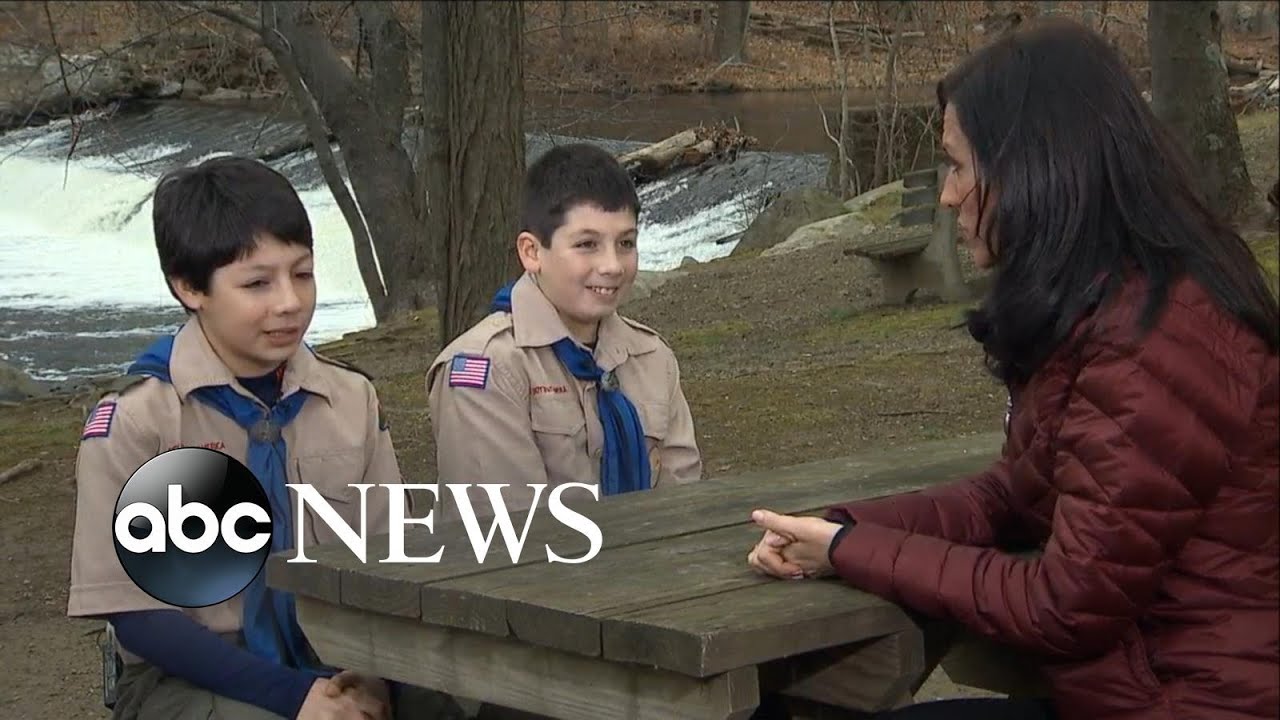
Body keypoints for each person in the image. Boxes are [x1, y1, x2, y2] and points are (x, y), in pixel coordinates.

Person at [747, 18, 1278, 720]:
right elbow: (1018, 495)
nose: (946, 195)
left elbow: (1067, 604)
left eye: (960, 166)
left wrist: (852, 551)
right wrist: (840, 528)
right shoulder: (1117, 301)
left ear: (1036, 166)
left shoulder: (1161, 334)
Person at [67, 156, 410, 720]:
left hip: (340, 654)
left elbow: (388, 564)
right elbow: (137, 615)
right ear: (189, 287)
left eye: (302, 273)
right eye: (257, 283)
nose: (290, 302)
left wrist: (372, 680)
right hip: (193, 670)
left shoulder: (350, 399)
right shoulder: (138, 420)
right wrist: (295, 698)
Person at [426, 142, 702, 520]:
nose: (612, 266)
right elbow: (507, 534)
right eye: (587, 245)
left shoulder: (651, 358)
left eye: (626, 243)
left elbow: (684, 505)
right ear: (532, 252)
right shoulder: (486, 367)